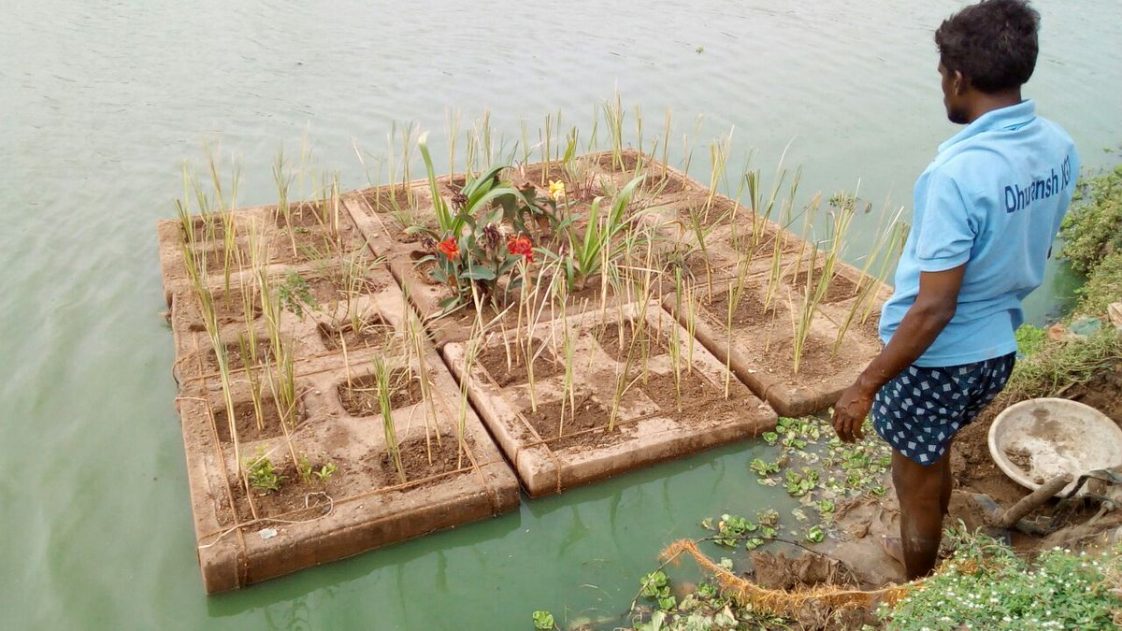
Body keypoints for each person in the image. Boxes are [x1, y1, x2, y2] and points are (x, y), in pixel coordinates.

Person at [830, 0, 1080, 580]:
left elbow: (935, 307)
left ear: (958, 77)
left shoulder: (957, 174)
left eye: (942, 74)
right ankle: (931, 542)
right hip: (997, 350)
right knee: (932, 448)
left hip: (938, 360)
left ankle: (919, 586)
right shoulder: (1057, 146)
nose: (942, 86)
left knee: (913, 481)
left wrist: (865, 385)